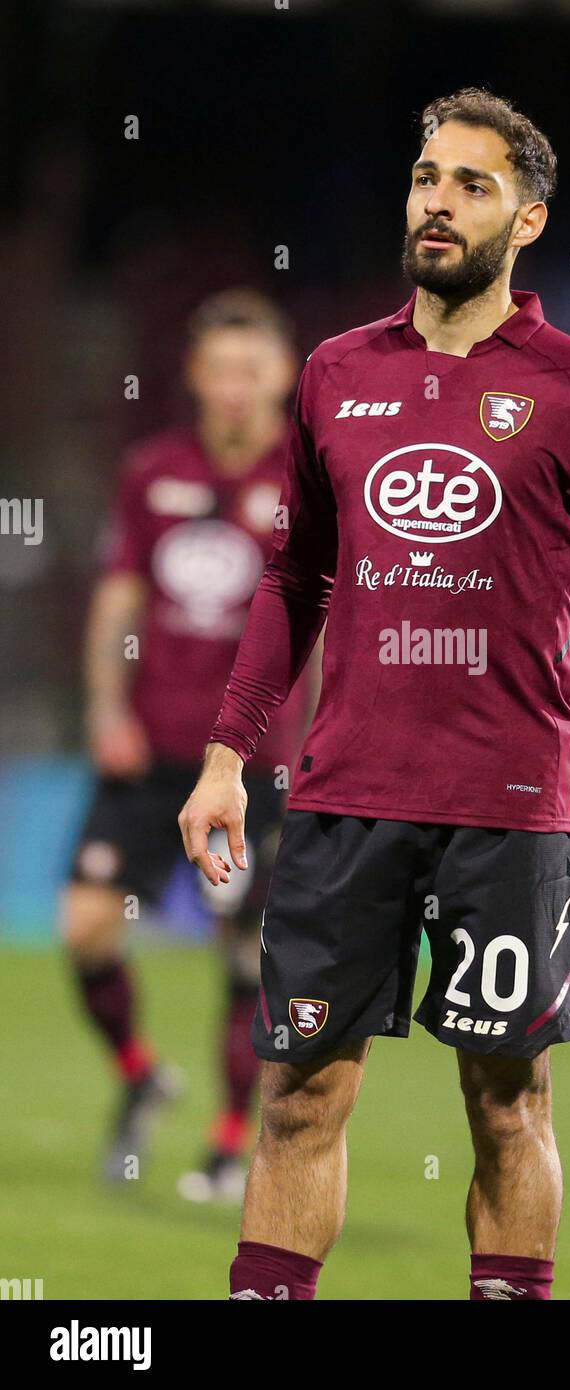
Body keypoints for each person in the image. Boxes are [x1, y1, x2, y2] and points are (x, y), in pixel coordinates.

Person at [180, 89, 570, 1300]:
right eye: (426, 177)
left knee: (506, 1102)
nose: (436, 201)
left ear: (527, 217)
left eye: (471, 184)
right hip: (341, 800)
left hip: (506, 809)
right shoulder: (333, 373)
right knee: (299, 1094)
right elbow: (291, 578)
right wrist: (227, 752)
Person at [62, 288, 321, 1199]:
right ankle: (139, 1075)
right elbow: (118, 596)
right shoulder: (151, 472)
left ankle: (223, 1144)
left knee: (246, 954)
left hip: (253, 762)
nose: (238, 389)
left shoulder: (310, 474)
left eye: (254, 370)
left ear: (285, 376)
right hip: (150, 749)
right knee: (87, 927)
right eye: (221, 370)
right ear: (195, 377)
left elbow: (328, 619)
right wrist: (105, 708)